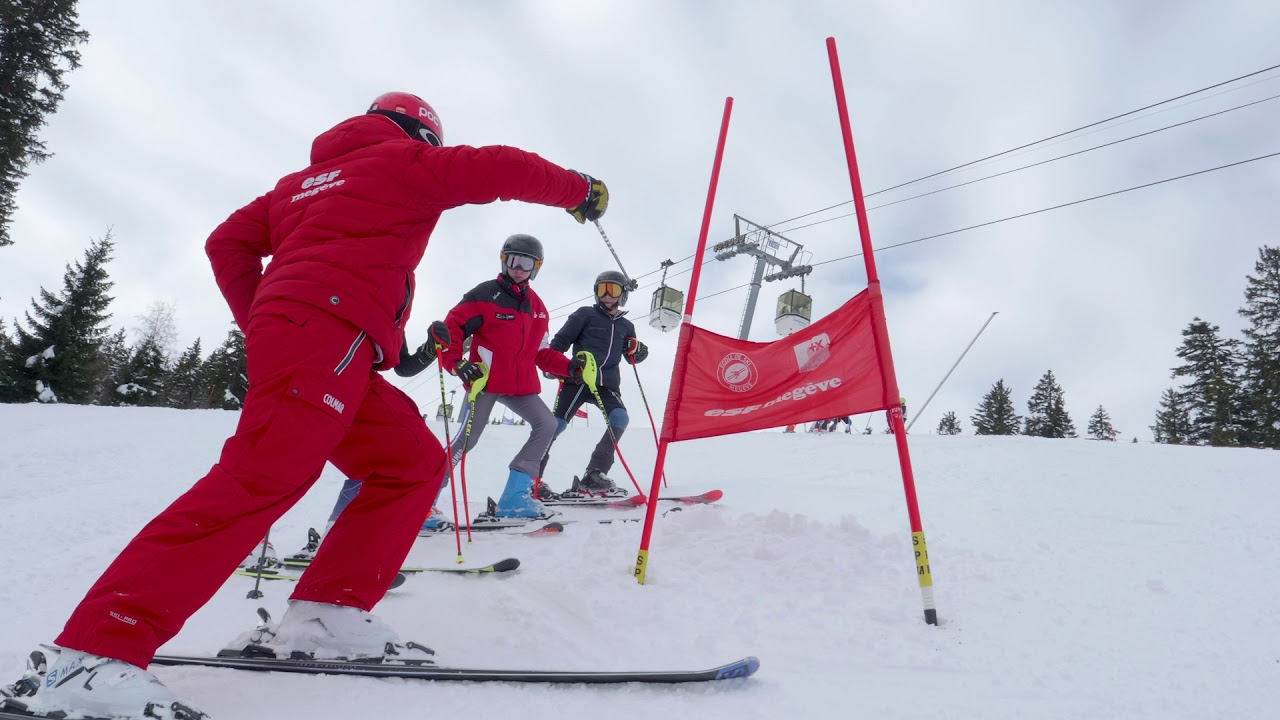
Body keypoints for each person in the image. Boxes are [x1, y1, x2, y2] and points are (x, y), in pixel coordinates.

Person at [13, 91, 608, 720]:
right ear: (421, 136)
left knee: (410, 461)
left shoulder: (298, 185)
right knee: (263, 475)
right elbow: (498, 166)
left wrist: (267, 318)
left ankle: (329, 613)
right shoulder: (405, 163)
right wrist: (578, 189)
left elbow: (226, 244)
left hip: (330, 342)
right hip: (327, 333)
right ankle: (94, 654)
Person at [433, 233, 586, 522]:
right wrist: (456, 364)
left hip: (520, 386)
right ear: (504, 260)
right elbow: (450, 330)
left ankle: (514, 498)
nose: (519, 268)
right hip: (486, 382)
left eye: (527, 263)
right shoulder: (483, 295)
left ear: (536, 268)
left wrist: (570, 368)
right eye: (513, 260)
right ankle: (422, 499)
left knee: (548, 424)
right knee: (467, 440)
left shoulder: (538, 308)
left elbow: (541, 353)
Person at [284, 322, 450, 564]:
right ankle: (250, 543)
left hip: (359, 387)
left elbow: (401, 366)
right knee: (286, 461)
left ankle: (336, 540)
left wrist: (429, 349)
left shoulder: (395, 302)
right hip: (310, 375)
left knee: (376, 459)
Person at [536, 270, 647, 498]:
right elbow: (560, 342)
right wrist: (553, 366)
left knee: (620, 419)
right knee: (556, 425)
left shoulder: (626, 326)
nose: (607, 294)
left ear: (623, 294)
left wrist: (639, 351)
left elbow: (631, 355)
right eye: (601, 289)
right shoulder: (585, 314)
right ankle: (531, 477)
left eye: (613, 289)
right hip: (578, 379)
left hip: (607, 384)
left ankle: (594, 474)